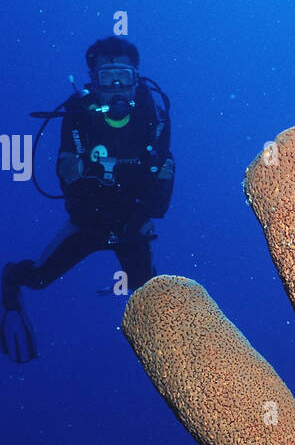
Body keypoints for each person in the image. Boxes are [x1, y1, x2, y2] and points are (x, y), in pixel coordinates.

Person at [1, 38, 174, 362]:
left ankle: (172, 360)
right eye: (108, 78)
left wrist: (136, 197)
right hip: (88, 223)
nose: (117, 86)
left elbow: (160, 190)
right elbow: (66, 175)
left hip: (132, 226)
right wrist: (81, 170)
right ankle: (11, 279)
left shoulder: (156, 116)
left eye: (124, 75)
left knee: (148, 296)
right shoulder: (78, 113)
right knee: (38, 279)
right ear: (94, 82)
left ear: (137, 78)